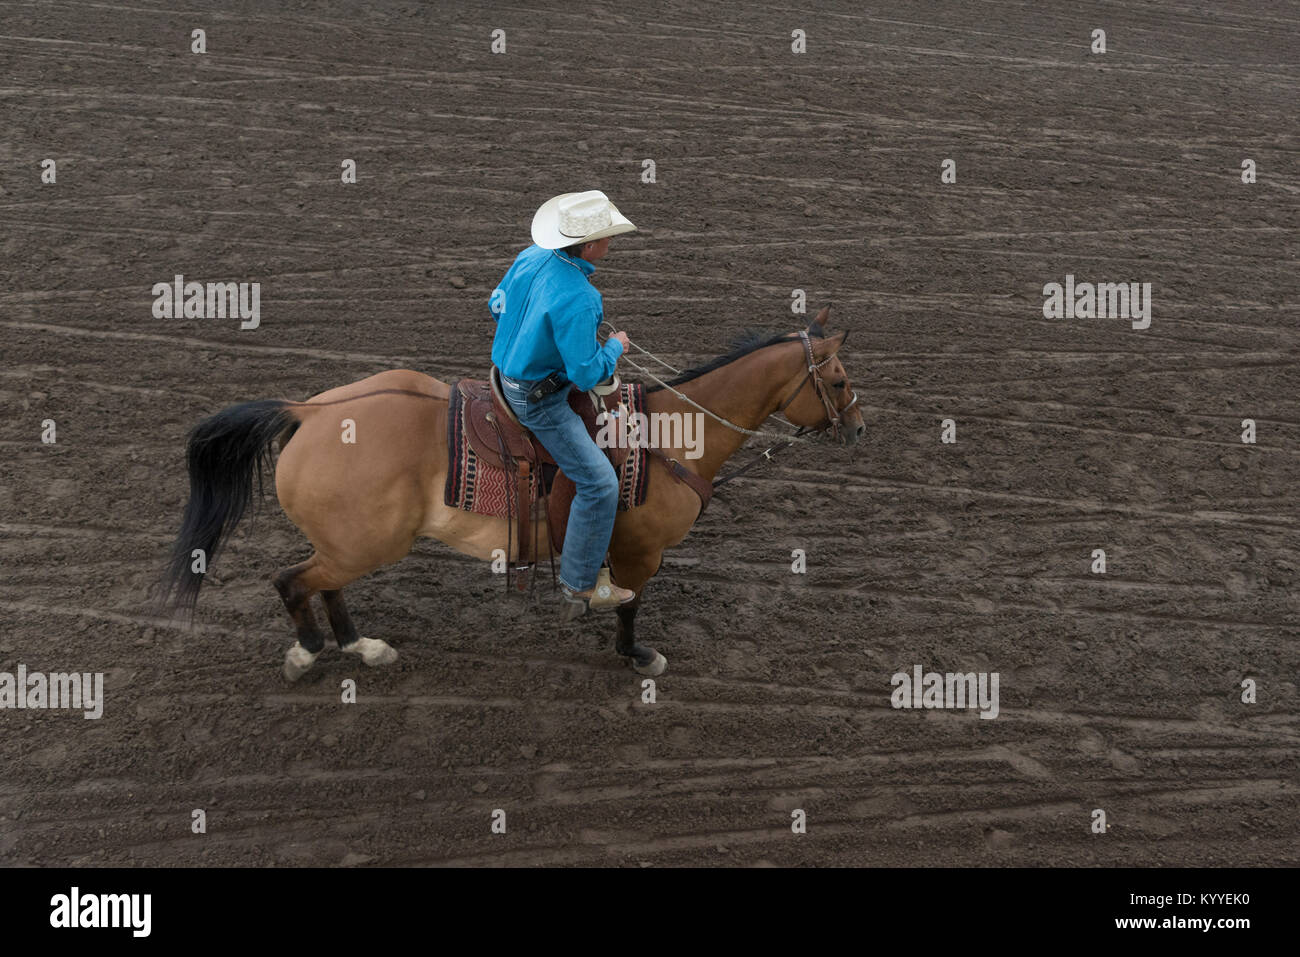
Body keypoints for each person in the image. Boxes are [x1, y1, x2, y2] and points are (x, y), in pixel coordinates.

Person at [490, 190, 638, 616]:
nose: (611, 243)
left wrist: (530, 337)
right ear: (589, 245)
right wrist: (613, 347)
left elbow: (496, 304)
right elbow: (586, 374)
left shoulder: (533, 255)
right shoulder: (582, 297)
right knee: (599, 483)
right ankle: (579, 583)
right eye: (608, 236)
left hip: (503, 373)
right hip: (537, 401)